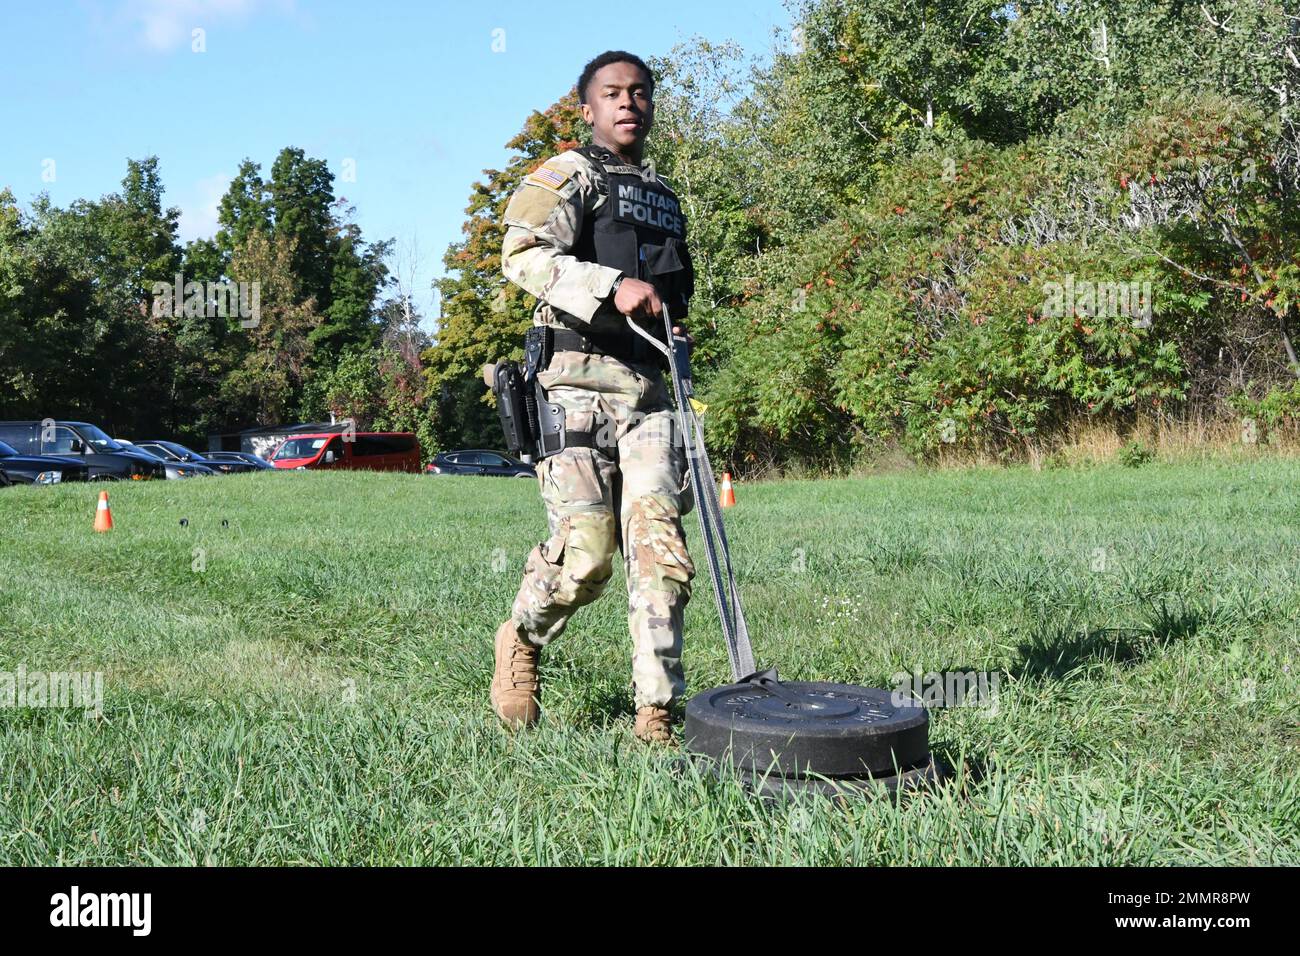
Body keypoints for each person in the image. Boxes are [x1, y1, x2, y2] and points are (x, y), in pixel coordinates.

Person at [488, 50, 696, 743]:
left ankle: (656, 716)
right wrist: (610, 287)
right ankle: (521, 636)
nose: (628, 103)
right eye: (612, 94)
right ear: (588, 108)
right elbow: (520, 255)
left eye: (640, 93)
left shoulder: (664, 199)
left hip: (648, 395)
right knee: (588, 553)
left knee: (658, 546)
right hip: (574, 386)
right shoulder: (567, 174)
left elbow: (674, 296)